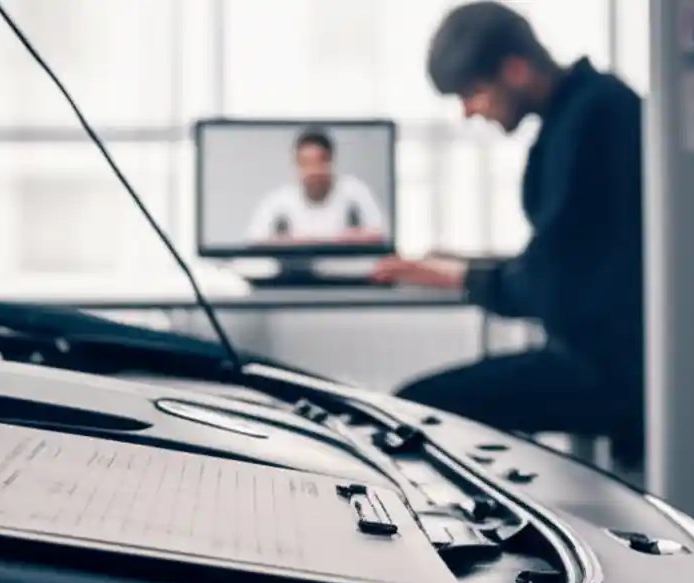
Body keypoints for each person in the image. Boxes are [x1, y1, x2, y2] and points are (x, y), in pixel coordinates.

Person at [372, 2, 645, 460]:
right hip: (599, 353)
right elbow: (565, 255)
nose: (468, 112)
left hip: (611, 369)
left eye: (473, 93)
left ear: (515, 70)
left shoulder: (594, 119)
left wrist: (452, 277)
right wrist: (464, 266)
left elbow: (550, 287)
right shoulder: (584, 111)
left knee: (414, 407)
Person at [245, 127, 388, 246]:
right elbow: (255, 239)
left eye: (318, 162)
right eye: (305, 163)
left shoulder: (355, 191)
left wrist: (339, 239)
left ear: (330, 161)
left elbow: (380, 234)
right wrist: (291, 242)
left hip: (344, 272)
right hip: (296, 274)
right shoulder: (280, 199)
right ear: (296, 164)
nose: (312, 171)